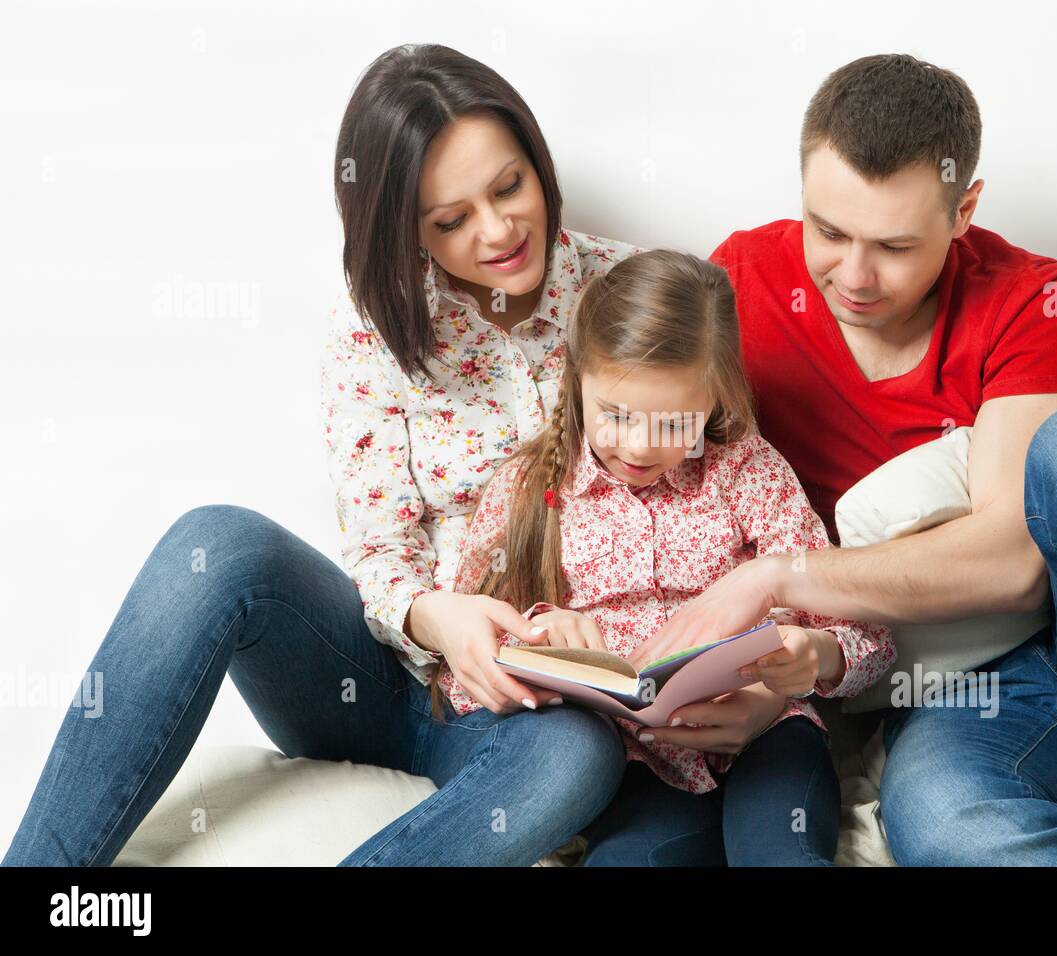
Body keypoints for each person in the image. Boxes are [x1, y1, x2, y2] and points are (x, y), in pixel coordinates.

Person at [634, 54, 1057, 866]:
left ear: (963, 209)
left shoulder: (1032, 297)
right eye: (829, 231)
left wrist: (778, 574)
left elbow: (1014, 562)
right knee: (949, 827)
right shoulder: (739, 283)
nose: (854, 275)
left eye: (895, 245)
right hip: (965, 700)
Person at [3, 43, 638, 867]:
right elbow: (379, 554)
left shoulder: (634, 295)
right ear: (404, 229)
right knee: (219, 543)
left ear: (537, 161)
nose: (499, 230)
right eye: (450, 220)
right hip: (380, 687)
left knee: (579, 755)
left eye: (509, 186)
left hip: (532, 714)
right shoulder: (372, 332)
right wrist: (437, 618)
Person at [445, 249, 895, 865]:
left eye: (671, 423)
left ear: (715, 398)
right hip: (638, 762)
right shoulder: (529, 488)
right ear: (577, 379)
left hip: (770, 738)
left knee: (780, 855)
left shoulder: (748, 472)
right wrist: (542, 635)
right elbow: (469, 656)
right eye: (617, 415)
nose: (636, 446)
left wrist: (816, 656)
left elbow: (869, 634)